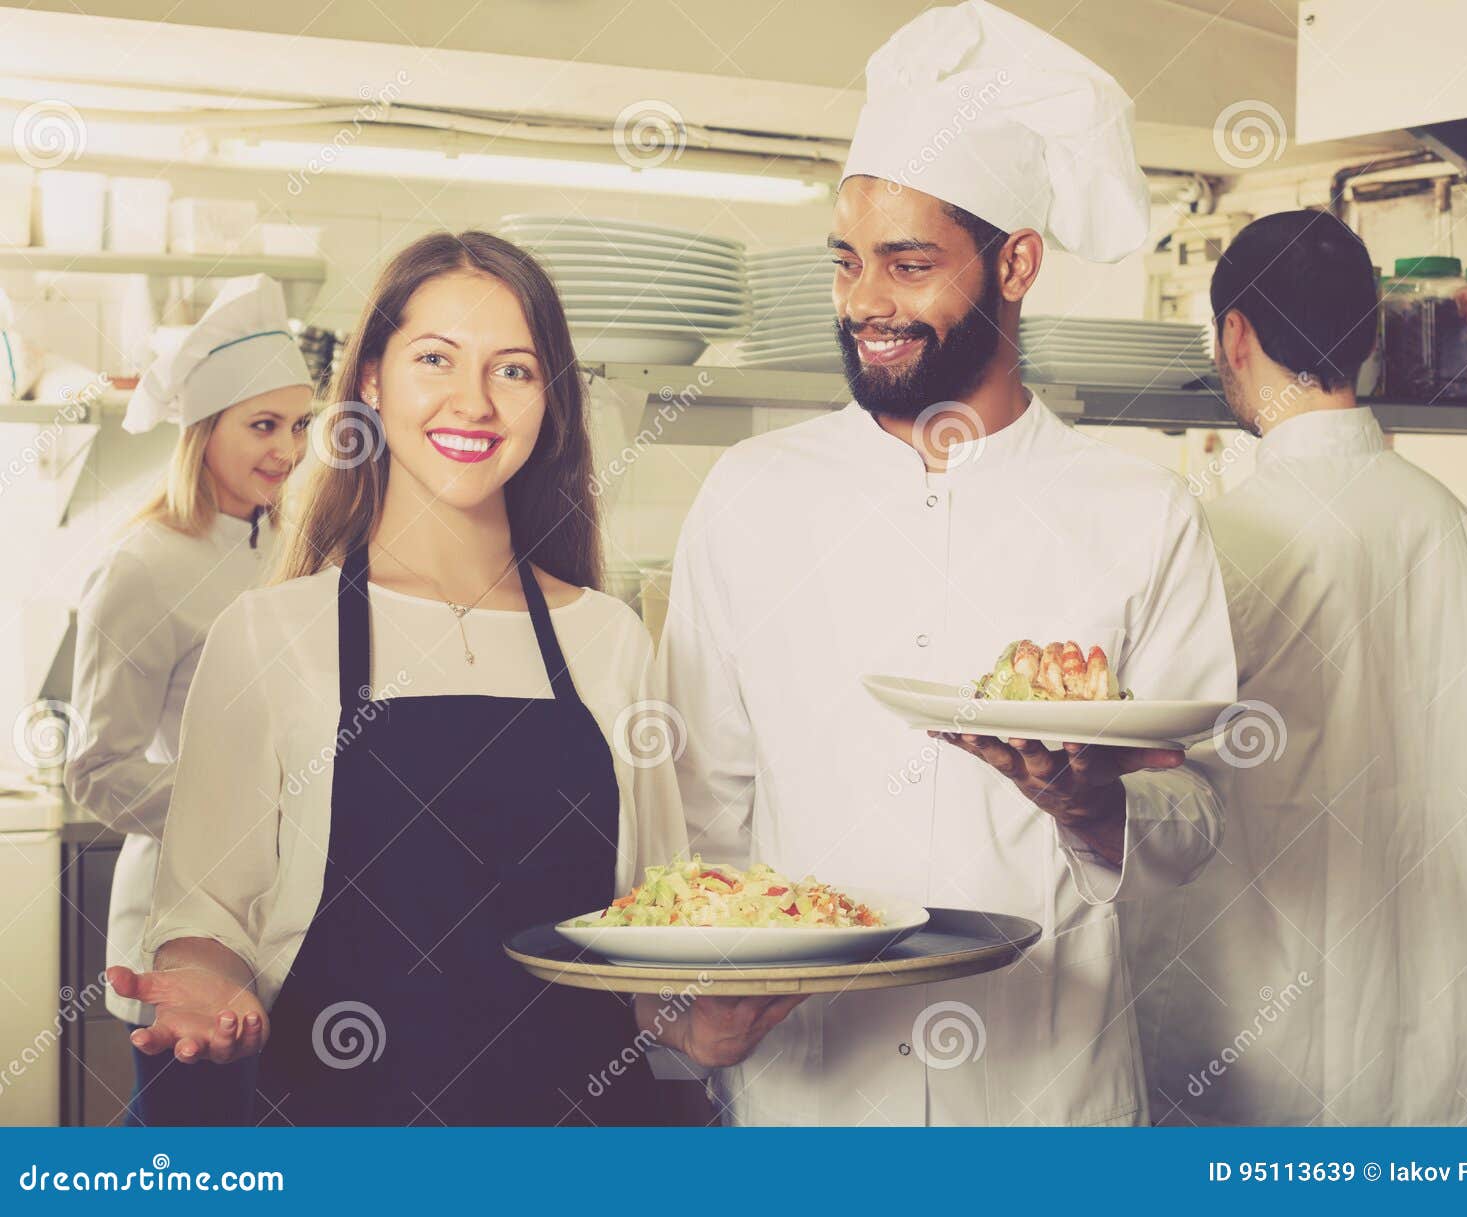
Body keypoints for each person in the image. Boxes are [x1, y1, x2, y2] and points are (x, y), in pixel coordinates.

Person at [658, 0, 1237, 1125]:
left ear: (1016, 262)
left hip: (1044, 1097)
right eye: (846, 263)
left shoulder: (1139, 511)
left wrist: (1093, 804)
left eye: (908, 263)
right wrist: (690, 1010)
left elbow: (1201, 816)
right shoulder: (750, 495)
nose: (865, 302)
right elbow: (700, 810)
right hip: (813, 1102)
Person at [103, 231, 750, 1126]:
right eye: (436, 358)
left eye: (514, 370)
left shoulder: (610, 642)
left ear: (551, 402)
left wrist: (694, 1021)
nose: (473, 401)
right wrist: (207, 985)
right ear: (372, 380)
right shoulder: (269, 635)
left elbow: (649, 942)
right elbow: (206, 914)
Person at [1127, 210, 1467, 1126]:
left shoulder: (1216, 544)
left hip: (1246, 1066)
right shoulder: (1466, 537)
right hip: (1417, 1060)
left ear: (1236, 336)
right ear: (1369, 339)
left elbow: (1154, 800)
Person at [66, 274, 313, 1126]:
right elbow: (95, 772)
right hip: (182, 921)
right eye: (263, 425)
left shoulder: (293, 547)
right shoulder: (141, 565)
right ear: (204, 429)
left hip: (283, 918)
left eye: (301, 425)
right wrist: (247, 806)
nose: (288, 450)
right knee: (183, 1152)